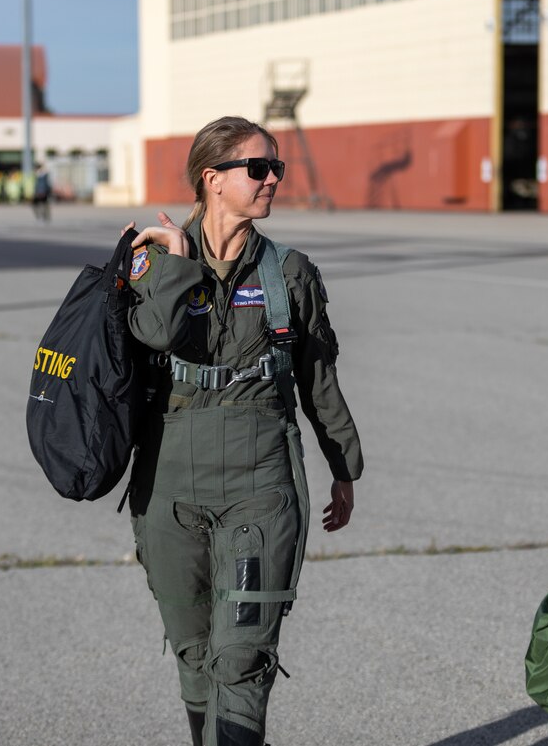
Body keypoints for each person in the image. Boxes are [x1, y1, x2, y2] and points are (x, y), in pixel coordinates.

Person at [124, 116, 363, 746]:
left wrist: (344, 468)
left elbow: (318, 379)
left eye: (276, 168)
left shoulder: (290, 273)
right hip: (169, 484)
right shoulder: (151, 261)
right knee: (195, 655)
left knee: (243, 660)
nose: (272, 180)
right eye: (258, 168)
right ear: (212, 179)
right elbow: (150, 336)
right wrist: (175, 267)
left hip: (260, 484)